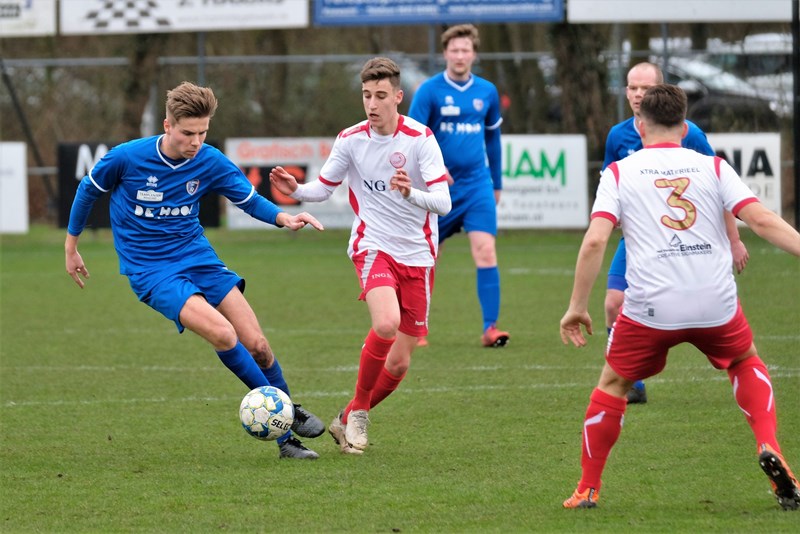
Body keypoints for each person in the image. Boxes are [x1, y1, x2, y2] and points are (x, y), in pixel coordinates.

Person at [559, 83, 800, 510]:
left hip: (651, 308)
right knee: (745, 361)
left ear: (639, 125)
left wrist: (577, 307)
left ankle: (587, 489)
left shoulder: (619, 172)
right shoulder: (714, 166)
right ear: (685, 126)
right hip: (715, 302)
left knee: (613, 385)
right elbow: (761, 221)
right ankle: (769, 444)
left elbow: (596, 241)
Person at [65, 81, 326, 460]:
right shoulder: (127, 158)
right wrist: (71, 246)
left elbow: (249, 200)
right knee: (223, 333)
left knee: (259, 346)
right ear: (168, 125)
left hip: (198, 257)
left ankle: (287, 433)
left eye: (203, 133)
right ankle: (287, 420)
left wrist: (283, 217)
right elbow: (88, 191)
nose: (196, 141)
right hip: (152, 271)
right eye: (188, 133)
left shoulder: (210, 160)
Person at [269, 57, 451, 454]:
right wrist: (296, 189)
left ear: (398, 97)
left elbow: (444, 202)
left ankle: (345, 417)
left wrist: (410, 193)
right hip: (373, 246)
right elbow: (324, 187)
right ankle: (361, 413)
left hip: (418, 256)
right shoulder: (350, 138)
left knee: (400, 364)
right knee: (386, 324)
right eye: (367, 95)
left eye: (381, 95)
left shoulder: (420, 139)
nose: (372, 103)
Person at [602, 62, 749, 404]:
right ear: (625, 91)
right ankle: (631, 381)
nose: (638, 94)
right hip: (639, 240)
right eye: (632, 87)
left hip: (686, 240)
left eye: (645, 88)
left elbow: (720, 188)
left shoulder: (690, 134)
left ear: (659, 91)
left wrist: (734, 238)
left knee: (695, 306)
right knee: (612, 303)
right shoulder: (616, 136)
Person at [408, 23, 509, 348]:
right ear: (445, 53)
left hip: (478, 184)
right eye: (454, 50)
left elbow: (493, 137)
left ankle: (490, 328)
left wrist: (497, 181)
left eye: (466, 50)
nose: (460, 55)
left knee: (486, 250)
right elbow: (412, 138)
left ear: (474, 54)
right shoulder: (429, 91)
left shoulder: (487, 91)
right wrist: (431, 172)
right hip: (437, 188)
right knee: (426, 256)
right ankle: (416, 327)